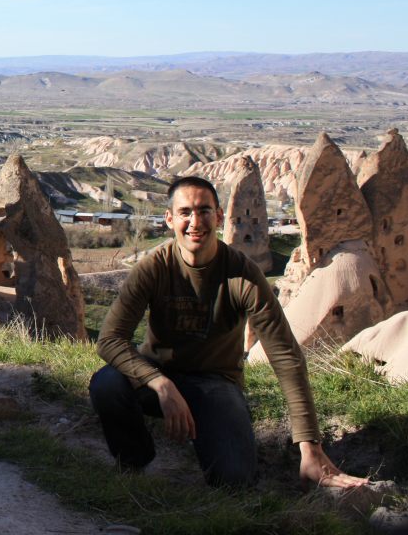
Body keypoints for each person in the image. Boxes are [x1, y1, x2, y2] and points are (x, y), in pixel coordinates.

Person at [89, 175, 369, 489]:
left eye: (204, 211)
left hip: (215, 384)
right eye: (185, 212)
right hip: (157, 376)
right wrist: (160, 383)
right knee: (107, 384)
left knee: (234, 480)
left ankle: (213, 439)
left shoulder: (242, 274)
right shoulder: (154, 267)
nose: (195, 222)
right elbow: (110, 339)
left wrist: (310, 447)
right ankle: (133, 460)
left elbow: (285, 355)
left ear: (220, 216)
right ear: (169, 219)